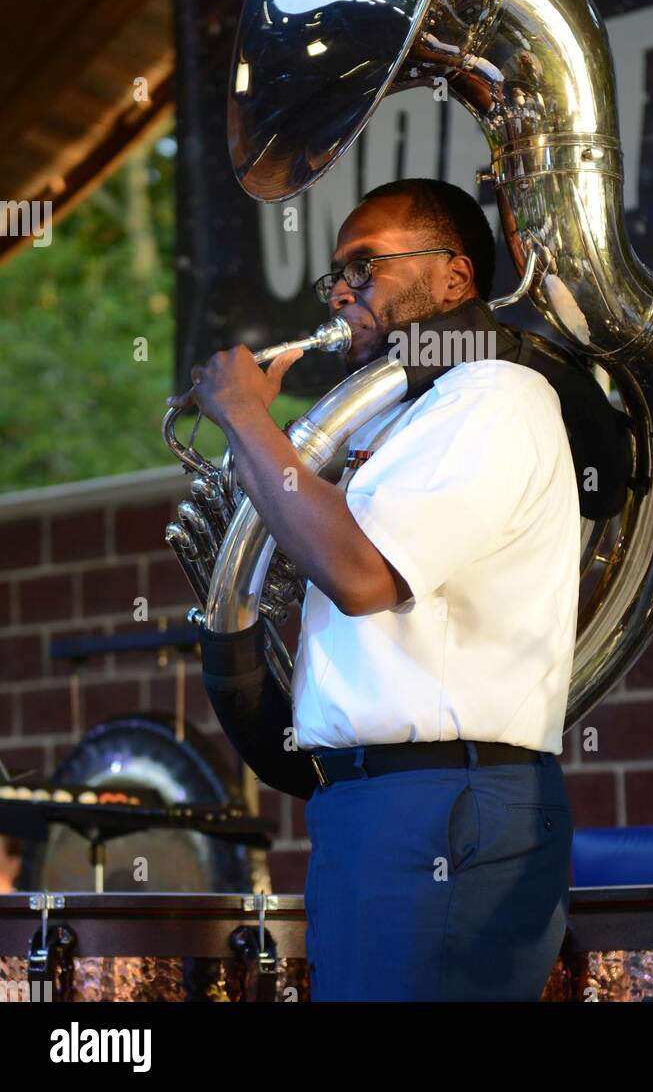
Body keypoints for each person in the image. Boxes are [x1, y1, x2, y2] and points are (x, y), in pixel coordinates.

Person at [169, 177, 581, 1001]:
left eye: (366, 264)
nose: (344, 289)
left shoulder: (494, 395)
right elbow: (320, 566)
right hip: (376, 802)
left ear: (455, 278)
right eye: (336, 274)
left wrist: (250, 421)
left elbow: (360, 577)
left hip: (438, 801)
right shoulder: (390, 419)